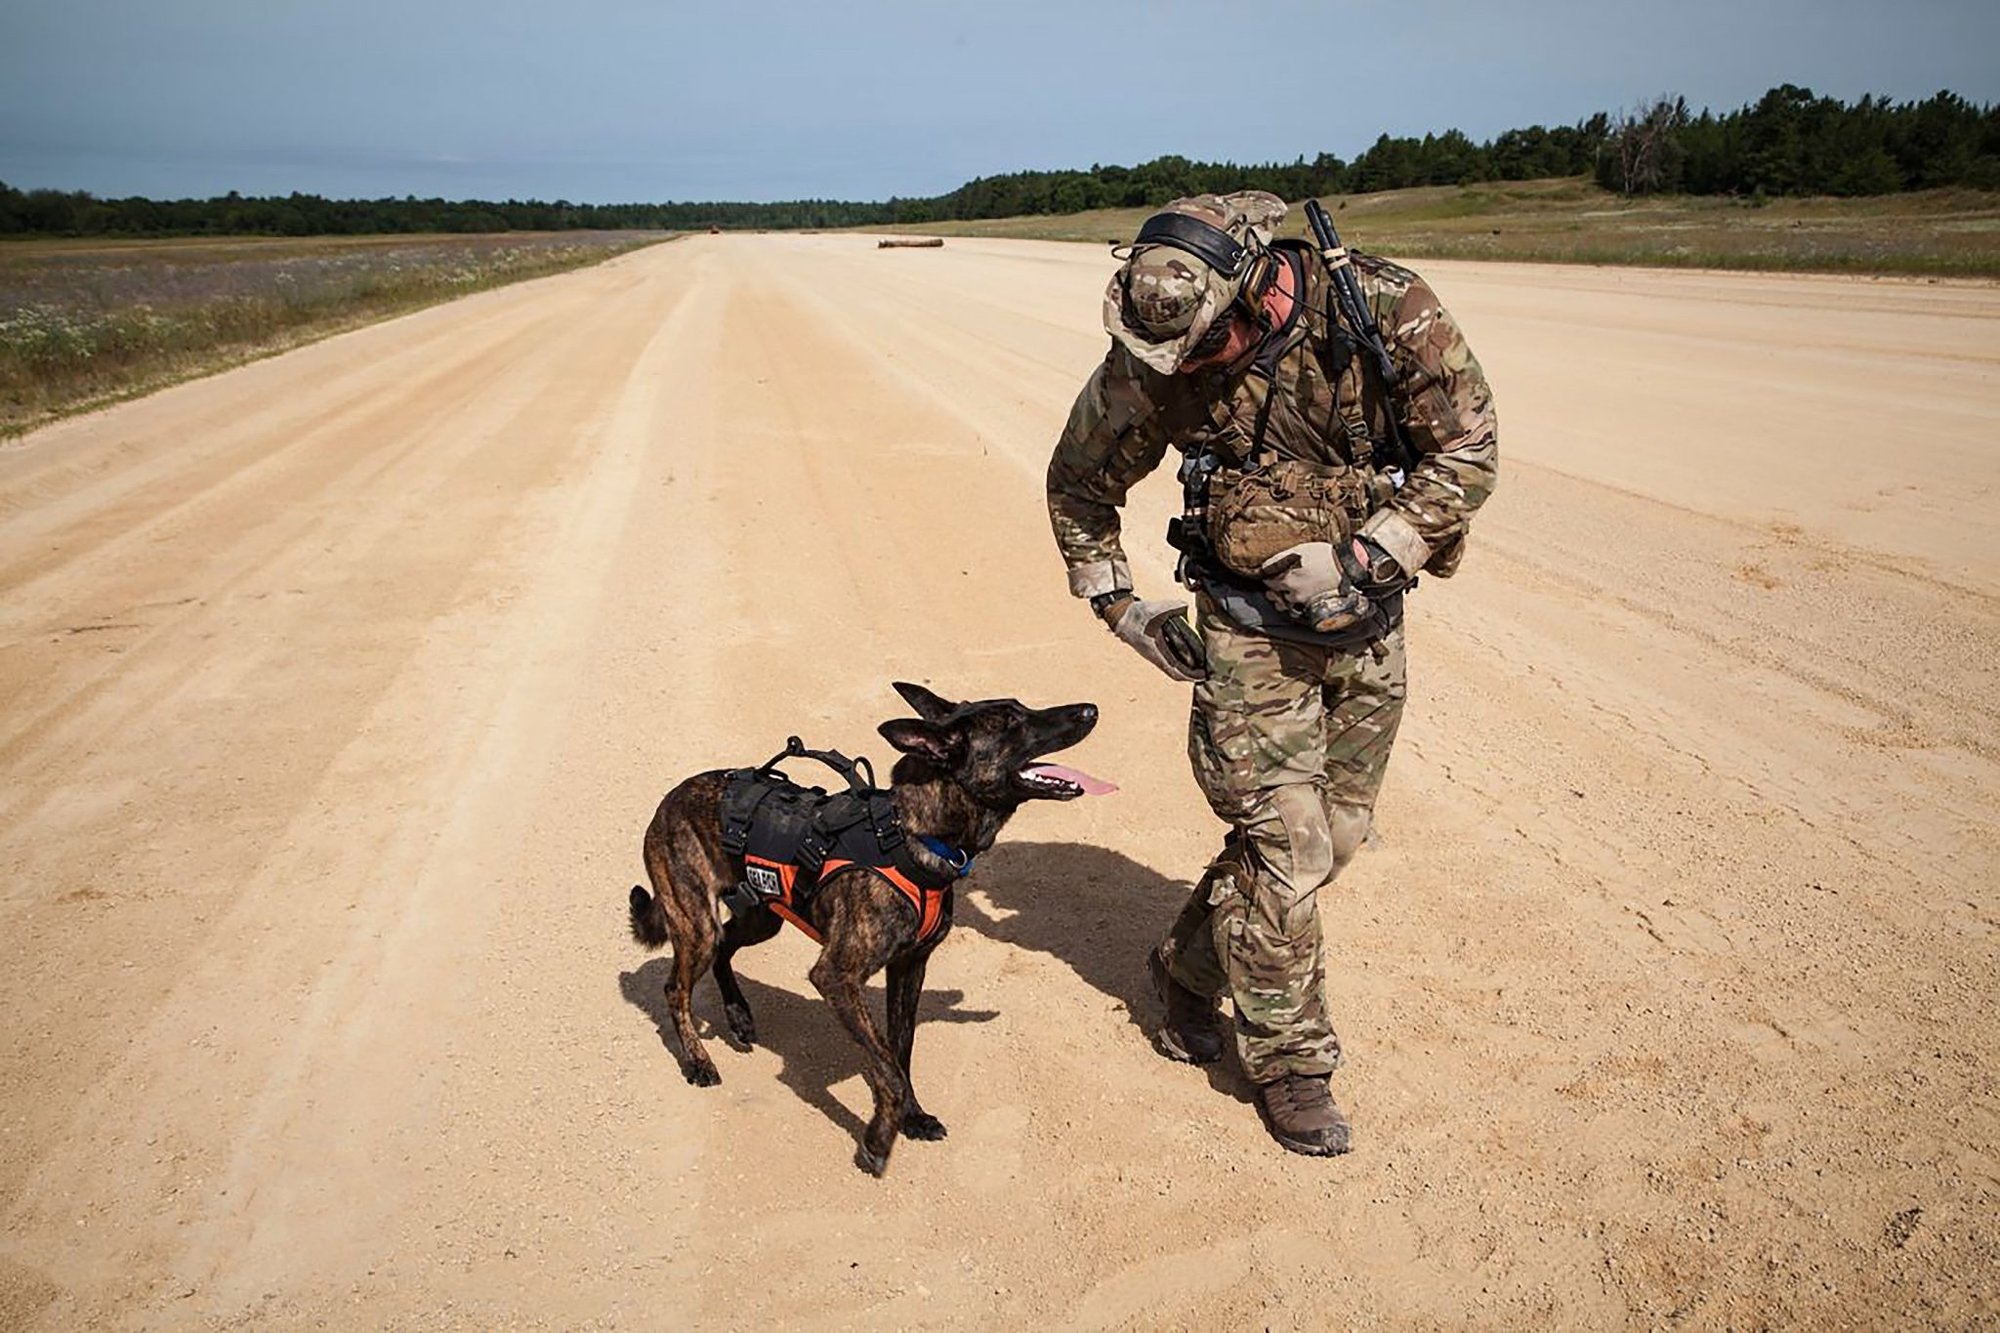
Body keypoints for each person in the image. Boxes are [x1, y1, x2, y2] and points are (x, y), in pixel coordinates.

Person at [1045, 191, 1497, 1155]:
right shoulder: (1152, 357)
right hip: (1241, 629)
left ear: (1246, 289)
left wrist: (1375, 553)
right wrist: (1122, 608)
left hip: (1366, 618)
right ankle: (1293, 1063)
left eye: (1197, 345)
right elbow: (1080, 484)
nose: (1178, 369)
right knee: (1286, 845)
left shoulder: (1381, 309)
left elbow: (1470, 446)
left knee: (1332, 838)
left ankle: (1184, 970)